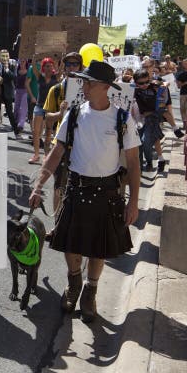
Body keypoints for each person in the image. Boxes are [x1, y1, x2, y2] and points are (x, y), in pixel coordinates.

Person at [29, 60, 141, 323]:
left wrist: (133, 202)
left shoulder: (122, 119)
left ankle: (90, 291)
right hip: (77, 188)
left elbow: (134, 162)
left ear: (104, 87)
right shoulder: (75, 114)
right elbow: (57, 151)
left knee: (98, 249)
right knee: (71, 243)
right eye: (84, 81)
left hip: (107, 192)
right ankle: (74, 284)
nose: (83, 86)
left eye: (88, 82)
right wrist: (38, 185)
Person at [42, 52, 82, 212]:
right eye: (68, 64)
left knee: (79, 187)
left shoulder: (89, 90)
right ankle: (57, 220)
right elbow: (47, 117)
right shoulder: (56, 90)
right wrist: (60, 114)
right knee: (59, 185)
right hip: (61, 143)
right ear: (64, 68)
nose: (72, 67)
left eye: (75, 64)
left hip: (82, 144)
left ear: (80, 67)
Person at [132, 69, 167, 172]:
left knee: (146, 141)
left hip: (151, 117)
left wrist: (162, 85)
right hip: (138, 119)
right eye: (141, 83)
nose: (144, 85)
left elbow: (165, 83)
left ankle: (149, 162)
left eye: (146, 82)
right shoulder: (132, 89)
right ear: (136, 82)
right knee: (138, 143)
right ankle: (139, 166)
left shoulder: (153, 86)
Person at [28, 57, 57, 164]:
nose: (49, 68)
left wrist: (62, 57)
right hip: (39, 106)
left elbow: (62, 68)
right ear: (43, 67)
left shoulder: (56, 76)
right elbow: (34, 66)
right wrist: (35, 56)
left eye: (51, 66)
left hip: (50, 108)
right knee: (36, 132)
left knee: (48, 132)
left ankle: (46, 155)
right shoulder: (40, 76)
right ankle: (36, 155)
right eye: (47, 66)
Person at [13, 59, 31, 138]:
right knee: (16, 108)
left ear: (26, 62)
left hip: (25, 91)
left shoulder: (28, 71)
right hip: (17, 90)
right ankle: (16, 122)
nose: (22, 63)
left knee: (23, 108)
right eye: (20, 61)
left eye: (23, 61)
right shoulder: (16, 70)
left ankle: (21, 125)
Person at [175, 59, 187, 125]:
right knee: (182, 108)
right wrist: (185, 83)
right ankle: (184, 122)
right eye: (184, 64)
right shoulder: (182, 74)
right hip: (183, 93)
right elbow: (178, 85)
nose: (185, 65)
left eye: (186, 63)